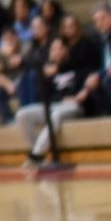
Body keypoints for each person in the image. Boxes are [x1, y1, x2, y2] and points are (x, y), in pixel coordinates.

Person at [17, 37, 84, 166]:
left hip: (73, 105)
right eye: (53, 49)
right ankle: (38, 154)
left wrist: (77, 94)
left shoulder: (78, 63)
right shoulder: (48, 71)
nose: (56, 52)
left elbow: (86, 80)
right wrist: (45, 77)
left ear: (66, 49)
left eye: (59, 48)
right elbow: (42, 96)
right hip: (54, 104)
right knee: (22, 114)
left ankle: (36, 155)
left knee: (56, 115)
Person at [0, 30, 23, 124]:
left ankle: (24, 117)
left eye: (9, 38)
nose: (7, 41)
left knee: (21, 85)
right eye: (5, 39)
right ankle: (9, 120)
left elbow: (17, 62)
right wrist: (8, 84)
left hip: (23, 77)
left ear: (16, 37)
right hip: (10, 80)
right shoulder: (2, 51)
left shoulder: (25, 46)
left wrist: (11, 54)